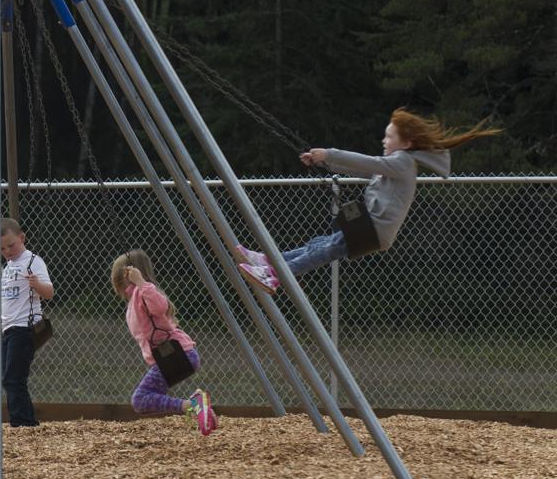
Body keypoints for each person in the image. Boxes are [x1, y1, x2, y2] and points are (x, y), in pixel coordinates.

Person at [237, 108, 501, 294]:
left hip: (374, 229)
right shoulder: (396, 164)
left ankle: (275, 276)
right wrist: (326, 162)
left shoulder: (403, 162)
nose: (384, 140)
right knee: (321, 244)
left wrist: (329, 153)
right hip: (369, 223)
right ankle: (270, 261)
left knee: (326, 248)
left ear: (407, 143)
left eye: (389, 137)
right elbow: (363, 170)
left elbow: (370, 162)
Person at [111, 250, 216, 436]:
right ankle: (199, 409)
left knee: (140, 399)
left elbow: (160, 307)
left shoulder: (143, 292)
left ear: (126, 276)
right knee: (143, 399)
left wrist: (141, 282)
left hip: (178, 356)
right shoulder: (137, 297)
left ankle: (194, 406)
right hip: (171, 358)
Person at [0, 218, 53, 428]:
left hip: (24, 328)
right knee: (7, 377)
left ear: (22, 238)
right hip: (9, 329)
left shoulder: (33, 261)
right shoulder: (8, 267)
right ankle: (24, 421)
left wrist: (36, 284)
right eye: (2, 248)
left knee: (13, 378)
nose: (8, 251)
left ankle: (23, 422)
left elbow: (49, 292)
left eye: (11, 245)